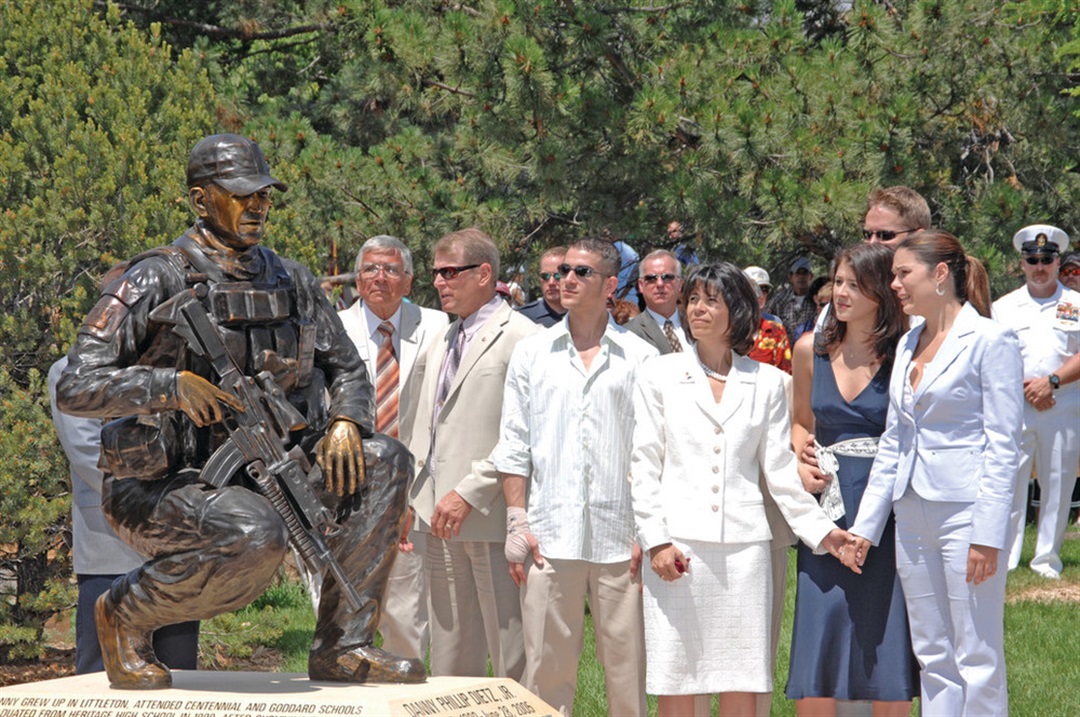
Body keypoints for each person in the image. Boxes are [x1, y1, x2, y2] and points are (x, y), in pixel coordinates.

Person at [56, 134, 423, 689]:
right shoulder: (155, 277)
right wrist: (168, 385)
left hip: (273, 464)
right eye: (242, 194)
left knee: (386, 459)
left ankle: (344, 646)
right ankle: (124, 612)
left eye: (265, 195)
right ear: (201, 201)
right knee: (255, 532)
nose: (258, 206)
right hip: (162, 486)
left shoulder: (292, 279)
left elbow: (347, 368)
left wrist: (348, 421)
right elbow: (77, 384)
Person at [630, 262, 852, 717]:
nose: (698, 309)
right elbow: (644, 464)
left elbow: (779, 473)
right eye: (692, 299)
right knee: (677, 676)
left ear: (738, 310)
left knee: (742, 679)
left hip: (745, 551)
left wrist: (823, 533)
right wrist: (656, 541)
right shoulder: (658, 375)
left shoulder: (769, 382)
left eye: (711, 300)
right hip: (678, 546)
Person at [842, 230, 1024, 716]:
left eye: (903, 274)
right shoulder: (905, 345)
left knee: (976, 652)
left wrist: (989, 534)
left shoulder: (991, 338)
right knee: (933, 653)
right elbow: (895, 442)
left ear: (940, 274)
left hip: (967, 514)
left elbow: (1004, 445)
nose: (894, 284)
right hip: (912, 514)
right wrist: (866, 526)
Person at [496, 238, 656, 716]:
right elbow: (514, 442)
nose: (565, 279)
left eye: (581, 272)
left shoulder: (642, 359)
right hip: (549, 534)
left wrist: (647, 530)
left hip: (622, 537)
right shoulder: (532, 353)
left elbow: (653, 452)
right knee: (546, 671)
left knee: (627, 673)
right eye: (562, 270)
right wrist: (517, 521)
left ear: (610, 285)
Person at [400, 227, 539, 679]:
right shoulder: (441, 336)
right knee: (450, 653)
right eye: (436, 273)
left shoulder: (524, 337)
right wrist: (409, 495)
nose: (439, 282)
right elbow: (422, 423)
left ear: (484, 274)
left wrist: (469, 492)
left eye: (449, 272)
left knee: (510, 652)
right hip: (435, 514)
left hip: (492, 514)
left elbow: (524, 434)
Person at [786, 244, 918, 715]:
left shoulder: (906, 354)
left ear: (880, 293)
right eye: (837, 281)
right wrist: (801, 456)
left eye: (853, 285)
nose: (839, 293)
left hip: (888, 511)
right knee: (820, 633)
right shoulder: (809, 350)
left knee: (885, 639)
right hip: (827, 510)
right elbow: (800, 421)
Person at [49, 356, 200, 675]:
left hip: (175, 553)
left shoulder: (179, 368)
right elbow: (87, 454)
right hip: (110, 550)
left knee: (181, 676)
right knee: (103, 678)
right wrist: (165, 499)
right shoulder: (71, 371)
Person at [336, 235, 449, 659]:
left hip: (417, 487)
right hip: (349, 492)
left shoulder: (439, 327)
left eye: (391, 269)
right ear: (358, 278)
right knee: (342, 617)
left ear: (409, 280)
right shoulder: (334, 329)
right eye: (370, 269)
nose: (379, 278)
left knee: (407, 616)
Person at [993, 225, 1080, 580]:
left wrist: (1052, 383)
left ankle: (1046, 559)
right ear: (1022, 263)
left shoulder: (1076, 304)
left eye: (1047, 259)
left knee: (1057, 483)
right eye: (1033, 259)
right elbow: (994, 357)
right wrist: (1029, 387)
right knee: (1010, 482)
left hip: (1063, 406)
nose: (1039, 266)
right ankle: (1008, 557)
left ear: (1058, 262)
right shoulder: (1003, 307)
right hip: (1016, 406)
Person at [626, 249, 687, 354]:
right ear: (641, 285)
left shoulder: (697, 326)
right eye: (651, 278)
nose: (659, 284)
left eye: (667, 277)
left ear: (680, 284)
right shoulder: (628, 334)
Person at [744, 269, 792, 373]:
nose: (761, 294)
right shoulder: (727, 329)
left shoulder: (776, 330)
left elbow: (786, 371)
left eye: (765, 289)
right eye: (755, 288)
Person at [766, 257, 816, 340]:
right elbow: (765, 320)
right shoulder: (780, 300)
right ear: (790, 277)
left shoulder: (817, 301)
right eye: (797, 273)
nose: (801, 277)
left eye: (804, 273)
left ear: (811, 276)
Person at [517, 246, 567, 327]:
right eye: (545, 276)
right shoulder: (523, 317)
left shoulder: (588, 316)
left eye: (557, 276)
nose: (551, 282)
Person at [791, 277, 832, 344]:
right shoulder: (802, 331)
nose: (827, 310)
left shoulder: (846, 330)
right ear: (816, 299)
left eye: (831, 306)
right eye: (823, 305)